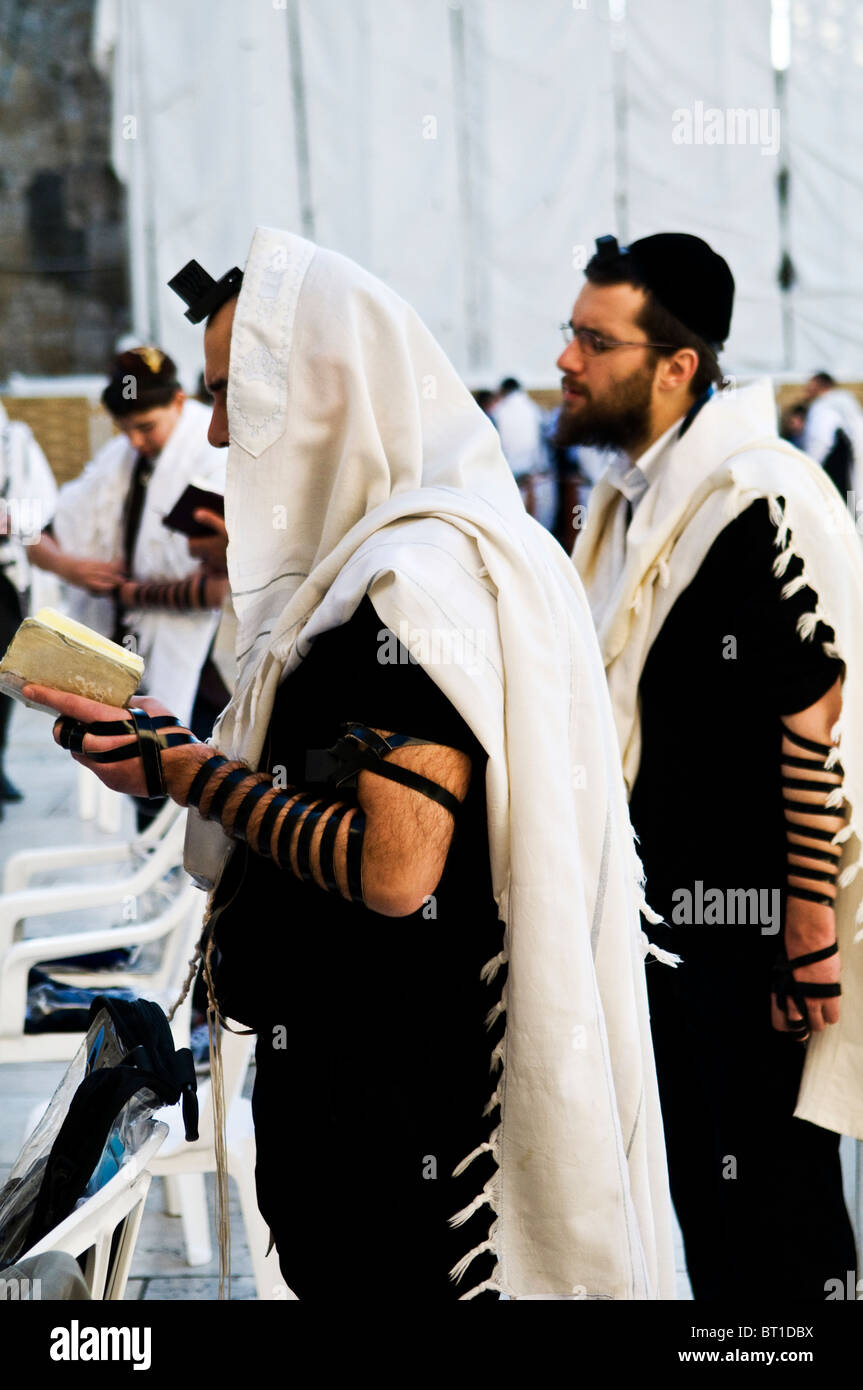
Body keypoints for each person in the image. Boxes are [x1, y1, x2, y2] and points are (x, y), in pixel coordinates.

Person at [24, 226, 674, 1302]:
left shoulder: (411, 588)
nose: (220, 430)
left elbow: (394, 867)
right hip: (348, 1095)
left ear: (326, 392)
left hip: (404, 1121)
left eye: (237, 396)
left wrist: (188, 774)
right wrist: (165, 758)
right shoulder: (373, 571)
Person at [565, 231, 863, 1300]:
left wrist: (806, 941)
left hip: (754, 954)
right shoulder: (628, 499)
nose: (567, 360)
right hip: (664, 936)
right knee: (711, 1215)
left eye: (594, 341)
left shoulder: (757, 496)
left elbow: (819, 713)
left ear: (676, 363)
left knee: (774, 1225)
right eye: (572, 333)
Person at [39, 348, 230, 827]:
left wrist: (129, 593)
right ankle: (158, 883)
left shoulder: (216, 455)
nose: (136, 441)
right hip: (126, 650)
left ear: (181, 402)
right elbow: (39, 537)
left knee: (195, 786)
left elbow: (220, 589)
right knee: (139, 774)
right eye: (125, 430)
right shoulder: (117, 459)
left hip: (207, 661)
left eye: (147, 427)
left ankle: (192, 892)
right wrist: (69, 567)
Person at [0, 402, 58, 809]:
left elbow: (41, 512)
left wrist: (7, 517)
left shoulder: (16, 443)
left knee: (4, 675)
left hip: (3, 578)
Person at [491, 377, 557, 531]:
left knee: (515, 531)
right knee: (542, 531)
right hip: (538, 479)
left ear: (502, 391)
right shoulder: (535, 410)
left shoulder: (498, 412)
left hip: (510, 480)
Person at [802, 370, 863, 507]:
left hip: (837, 470)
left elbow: (820, 440)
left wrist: (809, 466)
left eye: (810, 385)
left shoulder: (823, 406)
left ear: (820, 384)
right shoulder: (848, 403)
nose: (806, 389)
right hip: (853, 463)